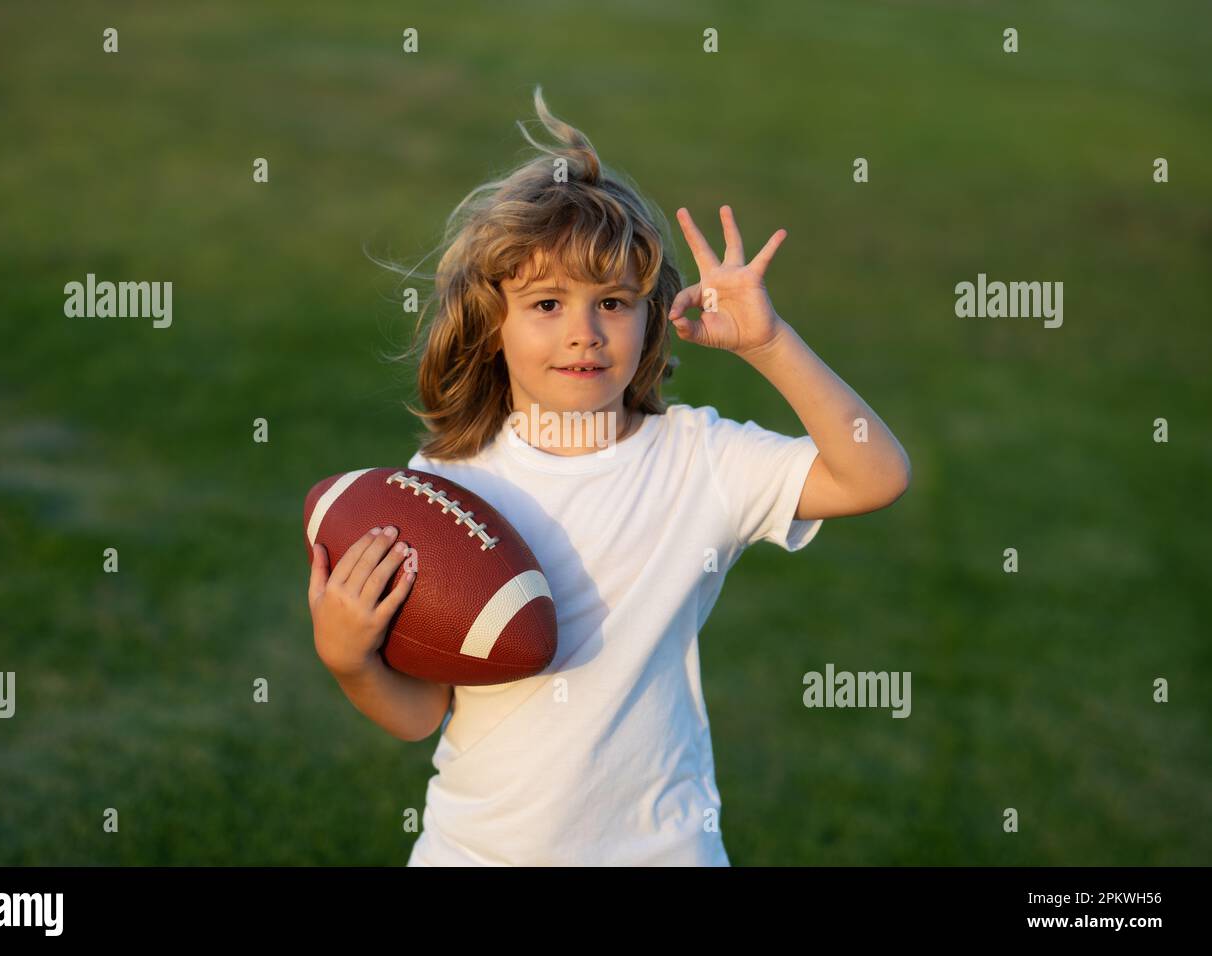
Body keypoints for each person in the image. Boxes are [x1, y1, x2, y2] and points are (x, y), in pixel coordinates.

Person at [306, 86, 911, 866]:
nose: (584, 334)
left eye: (614, 303)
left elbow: (876, 474)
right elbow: (423, 713)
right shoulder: (446, 483)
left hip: (659, 851)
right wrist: (348, 659)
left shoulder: (700, 459)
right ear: (494, 323)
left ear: (651, 317)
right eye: (547, 303)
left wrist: (769, 344)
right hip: (478, 850)